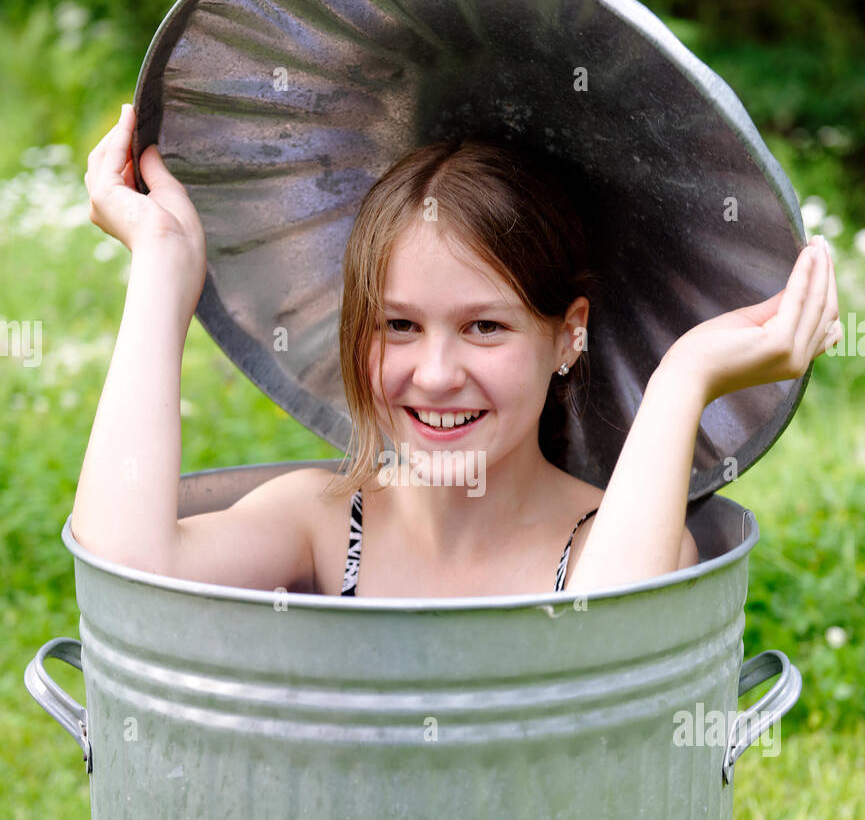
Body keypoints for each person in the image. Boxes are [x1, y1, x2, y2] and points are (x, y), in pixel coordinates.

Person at [71, 103, 840, 598]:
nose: (435, 375)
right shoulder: (325, 522)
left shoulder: (615, 541)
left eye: (485, 327)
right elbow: (124, 575)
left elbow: (606, 643)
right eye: (397, 325)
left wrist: (683, 375)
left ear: (567, 332)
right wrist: (165, 265)